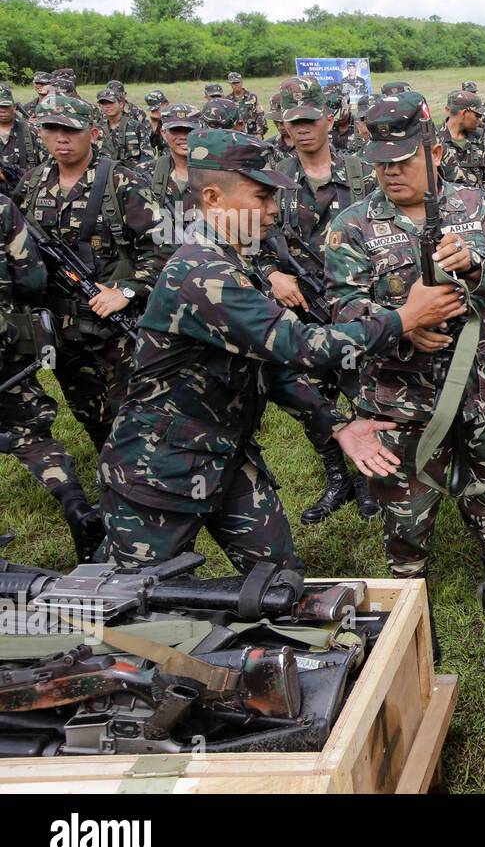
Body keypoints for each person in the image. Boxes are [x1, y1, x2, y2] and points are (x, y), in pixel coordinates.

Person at [98, 128, 450, 572]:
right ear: (213, 197)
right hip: (158, 468)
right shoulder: (201, 272)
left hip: (224, 454)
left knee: (279, 584)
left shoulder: (232, 262)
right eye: (261, 197)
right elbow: (297, 346)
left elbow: (273, 366)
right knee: (130, 604)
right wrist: (405, 318)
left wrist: (335, 423)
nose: (272, 211)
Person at [327, 90, 485, 620]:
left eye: (404, 161)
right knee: (404, 508)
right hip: (399, 399)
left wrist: (477, 265)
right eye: (381, 164)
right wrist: (404, 326)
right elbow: (340, 307)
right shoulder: (351, 225)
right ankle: (408, 610)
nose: (391, 174)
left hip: (480, 387)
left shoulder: (477, 205)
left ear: (435, 152)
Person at [255, 76, 379, 524]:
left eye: (310, 119)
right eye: (294, 122)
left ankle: (368, 479)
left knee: (363, 390)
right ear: (284, 127)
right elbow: (252, 239)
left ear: (329, 119)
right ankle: (337, 478)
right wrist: (272, 274)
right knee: (312, 397)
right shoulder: (274, 179)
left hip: (355, 303)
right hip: (299, 307)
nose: (303, 129)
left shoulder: (362, 173)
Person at [14, 94, 164, 451]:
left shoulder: (123, 184)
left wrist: (124, 291)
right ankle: (110, 467)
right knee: (89, 413)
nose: (61, 137)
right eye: (51, 128)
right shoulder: (32, 184)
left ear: (93, 132)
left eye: (71, 129)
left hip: (115, 327)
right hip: (58, 329)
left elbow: (166, 252)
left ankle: (145, 482)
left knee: (134, 411)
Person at [0, 193, 104, 561]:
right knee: (31, 434)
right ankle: (77, 507)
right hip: (6, 344)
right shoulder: (1, 207)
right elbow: (32, 277)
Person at [437, 90, 485, 197]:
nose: (480, 121)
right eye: (477, 116)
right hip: (446, 205)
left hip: (479, 206)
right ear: (464, 113)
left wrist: (483, 174)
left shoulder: (482, 137)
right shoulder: (434, 139)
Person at [0, 87, 43, 198]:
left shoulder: (31, 131)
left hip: (23, 199)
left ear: (14, 107)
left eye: (6, 106)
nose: (2, 110)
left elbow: (48, 165)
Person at [96, 87, 150, 170]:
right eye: (103, 103)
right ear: (99, 106)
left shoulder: (135, 126)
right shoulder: (97, 129)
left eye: (111, 102)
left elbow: (147, 155)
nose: (107, 106)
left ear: (121, 105)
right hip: (105, 175)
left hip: (133, 176)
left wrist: (138, 174)